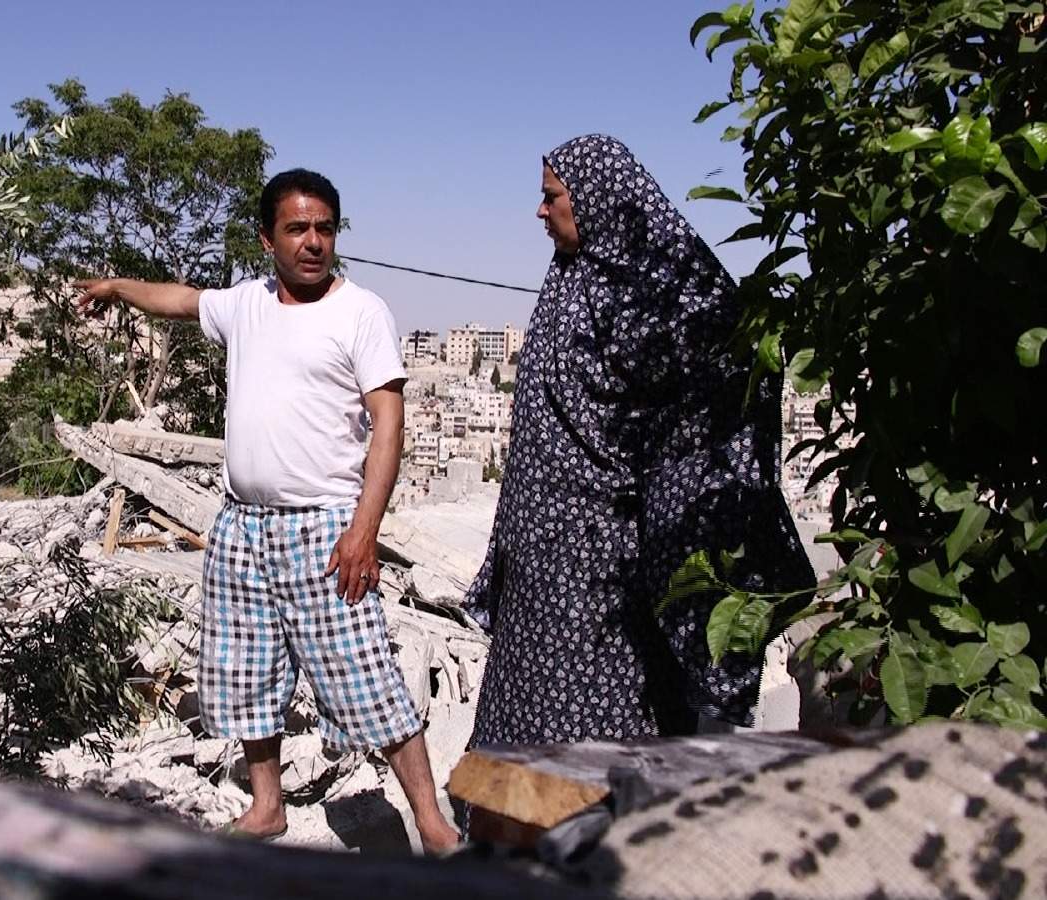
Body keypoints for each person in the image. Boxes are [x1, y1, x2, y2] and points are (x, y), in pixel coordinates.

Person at [74, 169, 460, 854]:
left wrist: (362, 531)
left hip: (325, 528)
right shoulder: (246, 304)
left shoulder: (361, 311)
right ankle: (266, 805)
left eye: (325, 228)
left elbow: (388, 425)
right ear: (267, 238)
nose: (313, 242)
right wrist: (114, 288)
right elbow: (179, 301)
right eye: (297, 229)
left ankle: (433, 825)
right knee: (249, 671)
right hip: (242, 525)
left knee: (363, 675)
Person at [464, 134, 815, 747]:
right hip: (539, 571)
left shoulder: (661, 294)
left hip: (604, 577)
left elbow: (718, 394)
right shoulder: (572, 276)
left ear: (597, 199)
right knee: (521, 737)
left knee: (595, 742)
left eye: (551, 198)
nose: (540, 213)